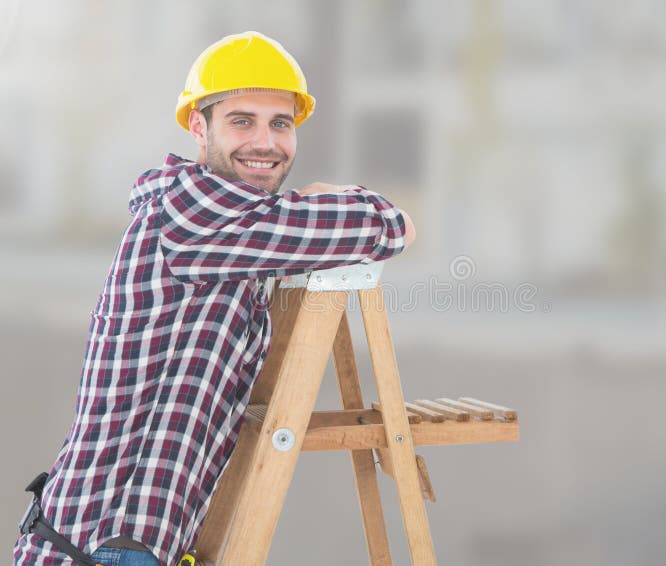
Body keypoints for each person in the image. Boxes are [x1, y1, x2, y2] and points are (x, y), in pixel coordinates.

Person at [13, 31, 415, 566]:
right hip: (103, 546)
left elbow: (306, 232)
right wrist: (337, 201)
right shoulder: (193, 211)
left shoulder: (237, 233)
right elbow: (389, 227)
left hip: (120, 545)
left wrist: (311, 207)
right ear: (199, 128)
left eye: (280, 124)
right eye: (241, 121)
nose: (265, 142)